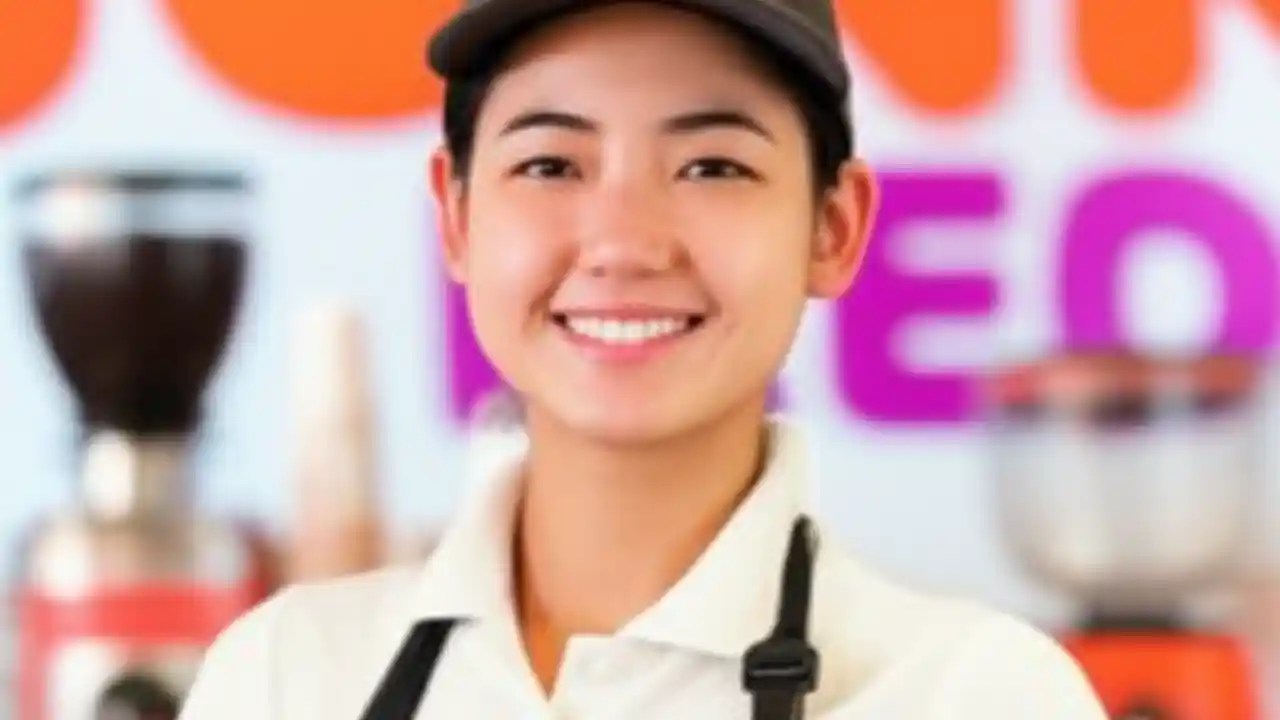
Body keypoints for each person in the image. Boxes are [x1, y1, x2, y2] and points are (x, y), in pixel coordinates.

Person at [180, 1, 1108, 717]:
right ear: (457, 217)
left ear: (833, 227)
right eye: (551, 165)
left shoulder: (977, 692)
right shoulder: (285, 678)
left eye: (713, 167)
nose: (624, 244)